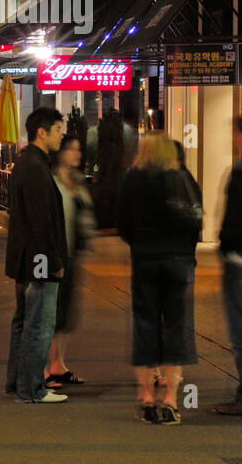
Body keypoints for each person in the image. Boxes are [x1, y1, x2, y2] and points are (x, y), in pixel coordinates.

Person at [116, 133, 202, 424]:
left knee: (145, 324)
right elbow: (196, 221)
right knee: (176, 326)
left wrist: (140, 246)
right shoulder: (180, 178)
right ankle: (171, 399)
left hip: (145, 262)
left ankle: (146, 396)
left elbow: (122, 223)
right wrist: (186, 253)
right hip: (178, 262)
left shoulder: (133, 180)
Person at [4, 106, 69, 404]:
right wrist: (52, 264)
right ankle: (32, 388)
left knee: (24, 322)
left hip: (26, 261)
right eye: (57, 130)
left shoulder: (26, 163)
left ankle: (18, 384)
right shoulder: (35, 167)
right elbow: (41, 223)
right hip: (37, 262)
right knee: (38, 324)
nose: (62, 135)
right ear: (41, 132)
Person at [46, 134, 95, 387]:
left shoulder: (77, 182)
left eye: (79, 150)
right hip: (59, 254)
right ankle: (46, 367)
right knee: (52, 312)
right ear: (62, 153)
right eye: (72, 150)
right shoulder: (54, 181)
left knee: (66, 313)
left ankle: (59, 363)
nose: (77, 155)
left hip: (74, 254)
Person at [213, 117, 242, 417]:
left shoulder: (239, 171)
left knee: (239, 331)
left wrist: (225, 246)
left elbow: (234, 219)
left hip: (238, 261)